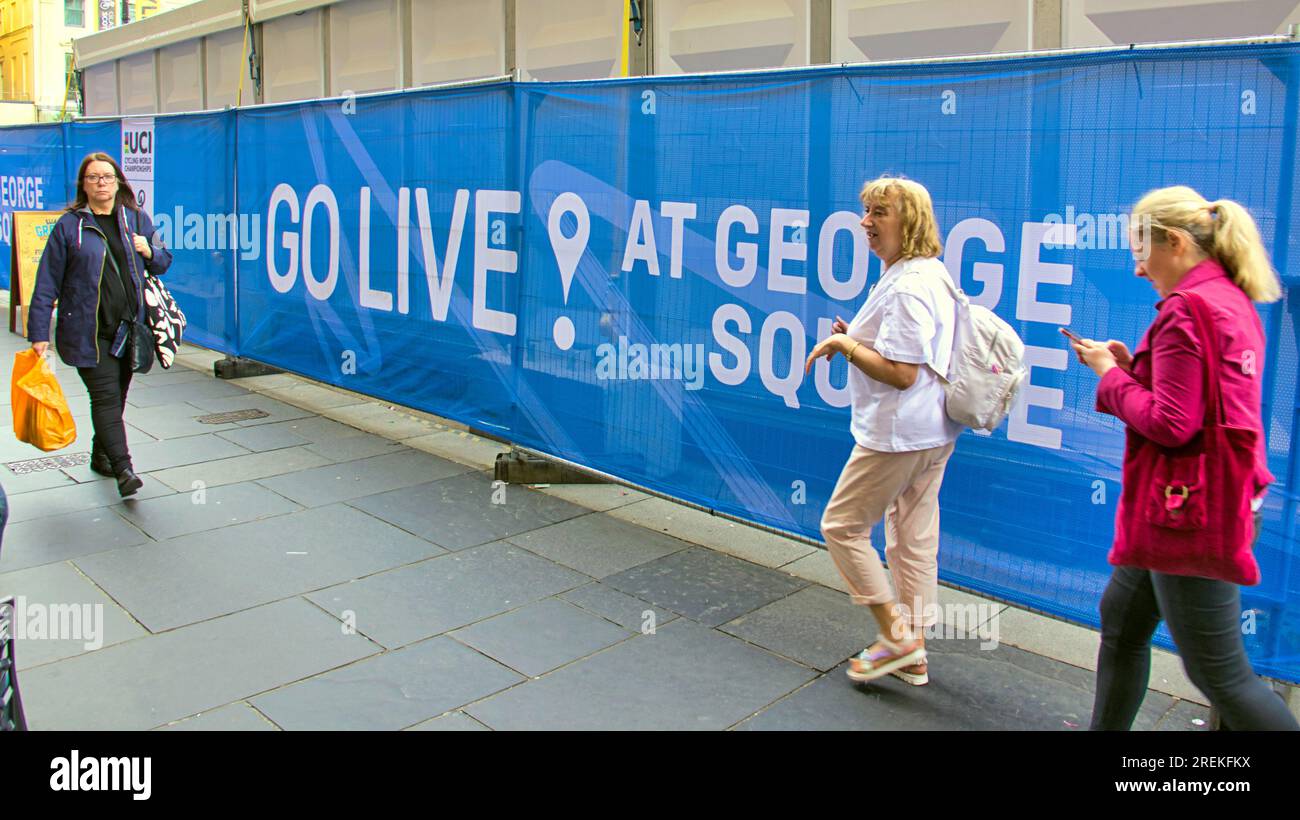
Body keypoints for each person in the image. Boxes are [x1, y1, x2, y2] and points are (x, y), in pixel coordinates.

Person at [1073, 185, 1299, 730]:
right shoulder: (1228, 298)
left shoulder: (1185, 310)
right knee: (1122, 624)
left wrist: (1109, 376)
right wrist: (1134, 373)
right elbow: (1203, 403)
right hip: (1211, 501)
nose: (1137, 269)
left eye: (1140, 252)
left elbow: (1172, 425)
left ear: (1173, 242)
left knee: (1222, 677)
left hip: (1186, 515)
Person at [806, 176, 961, 686]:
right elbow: (906, 352)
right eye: (866, 211)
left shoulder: (911, 285)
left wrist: (845, 348)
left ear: (909, 221)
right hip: (933, 430)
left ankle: (896, 637)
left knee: (842, 526)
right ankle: (912, 652)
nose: (865, 221)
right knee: (911, 537)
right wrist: (858, 338)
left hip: (899, 434)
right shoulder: (924, 273)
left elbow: (902, 372)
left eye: (878, 212)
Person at [26, 152, 172, 497]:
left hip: (130, 329)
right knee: (105, 398)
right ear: (84, 185)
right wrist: (38, 334)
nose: (101, 183)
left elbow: (165, 261)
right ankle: (124, 468)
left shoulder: (136, 219)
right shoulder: (69, 226)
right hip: (87, 333)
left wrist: (149, 251)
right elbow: (46, 280)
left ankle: (100, 455)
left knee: (116, 396)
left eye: (107, 177)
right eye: (93, 178)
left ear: (118, 181)